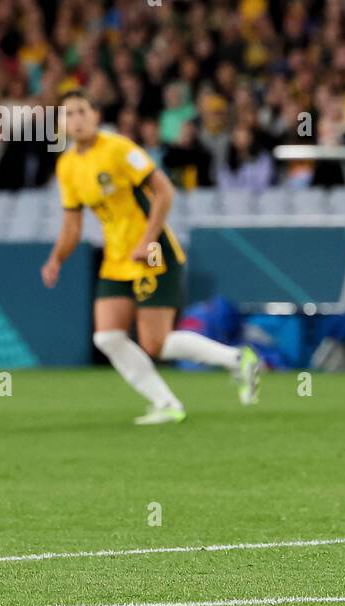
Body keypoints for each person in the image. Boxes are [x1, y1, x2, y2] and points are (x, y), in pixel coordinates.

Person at [41, 90, 261, 423]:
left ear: (96, 116)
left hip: (153, 252)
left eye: (82, 111)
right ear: (61, 124)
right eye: (69, 114)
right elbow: (72, 224)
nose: (77, 119)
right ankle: (167, 404)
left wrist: (147, 240)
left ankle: (238, 359)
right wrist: (56, 259)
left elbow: (164, 190)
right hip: (117, 259)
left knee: (154, 344)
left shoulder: (118, 148)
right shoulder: (67, 166)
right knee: (107, 336)